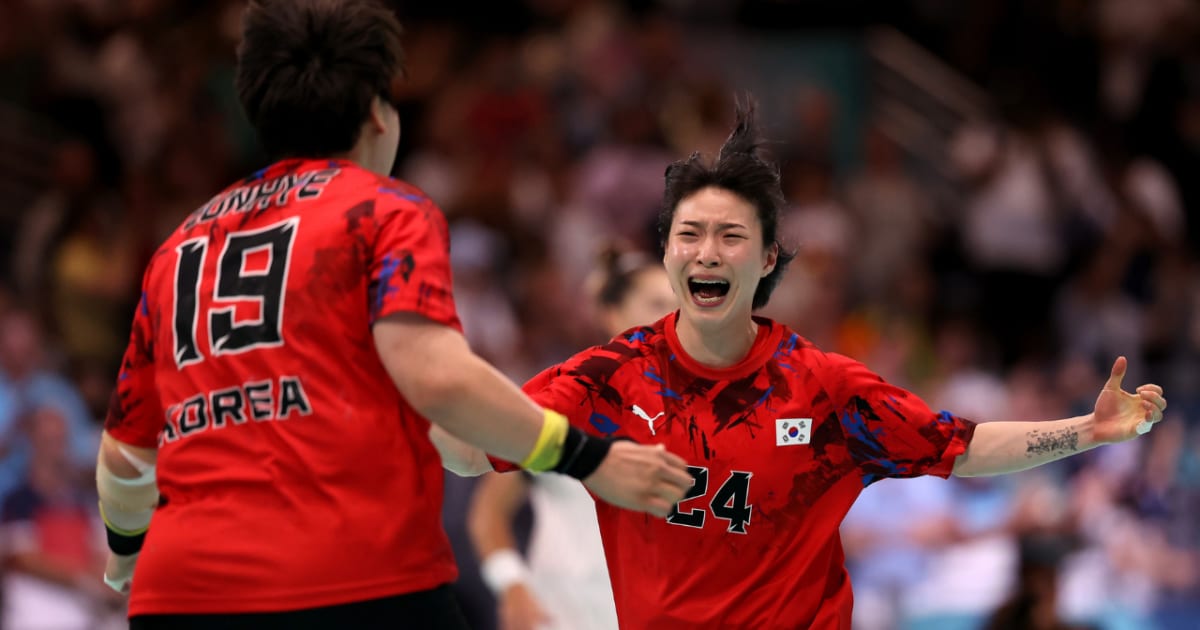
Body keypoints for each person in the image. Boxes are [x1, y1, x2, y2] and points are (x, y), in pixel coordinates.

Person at [431, 97, 1169, 628]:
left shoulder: (824, 388)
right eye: (690, 234)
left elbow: (962, 447)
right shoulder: (606, 378)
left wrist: (1086, 431)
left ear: (769, 257)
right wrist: (424, 380)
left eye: (730, 235)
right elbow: (469, 458)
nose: (707, 252)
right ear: (665, 252)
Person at [94, 1, 692, 628]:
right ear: (378, 116)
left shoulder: (181, 247)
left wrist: (126, 553)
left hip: (179, 592)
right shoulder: (380, 211)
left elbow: (123, 458)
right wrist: (588, 458)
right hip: (347, 579)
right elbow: (439, 379)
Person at [467, 243, 677, 630]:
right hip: (563, 616)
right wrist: (512, 583)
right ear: (612, 313)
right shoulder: (566, 399)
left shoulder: (711, 411)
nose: (668, 317)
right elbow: (489, 511)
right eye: (654, 302)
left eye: (679, 304)